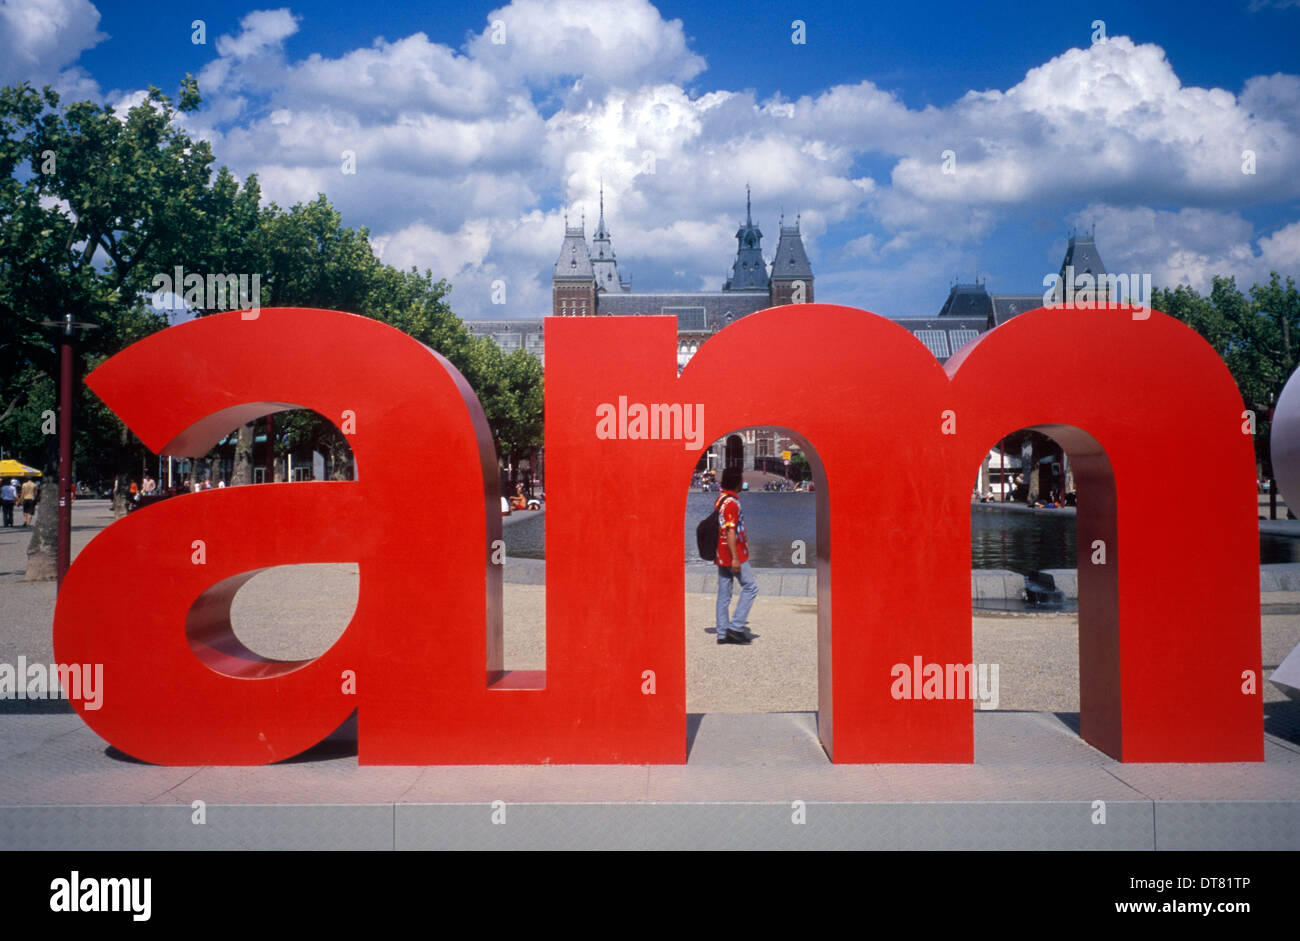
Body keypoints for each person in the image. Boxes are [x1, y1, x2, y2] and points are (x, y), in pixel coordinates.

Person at [714, 466, 759, 645]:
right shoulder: (732, 503)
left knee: (724, 593)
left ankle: (722, 632)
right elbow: (731, 531)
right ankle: (736, 627)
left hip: (720, 551)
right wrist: (735, 557)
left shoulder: (721, 499)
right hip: (734, 552)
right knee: (751, 587)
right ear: (737, 481)